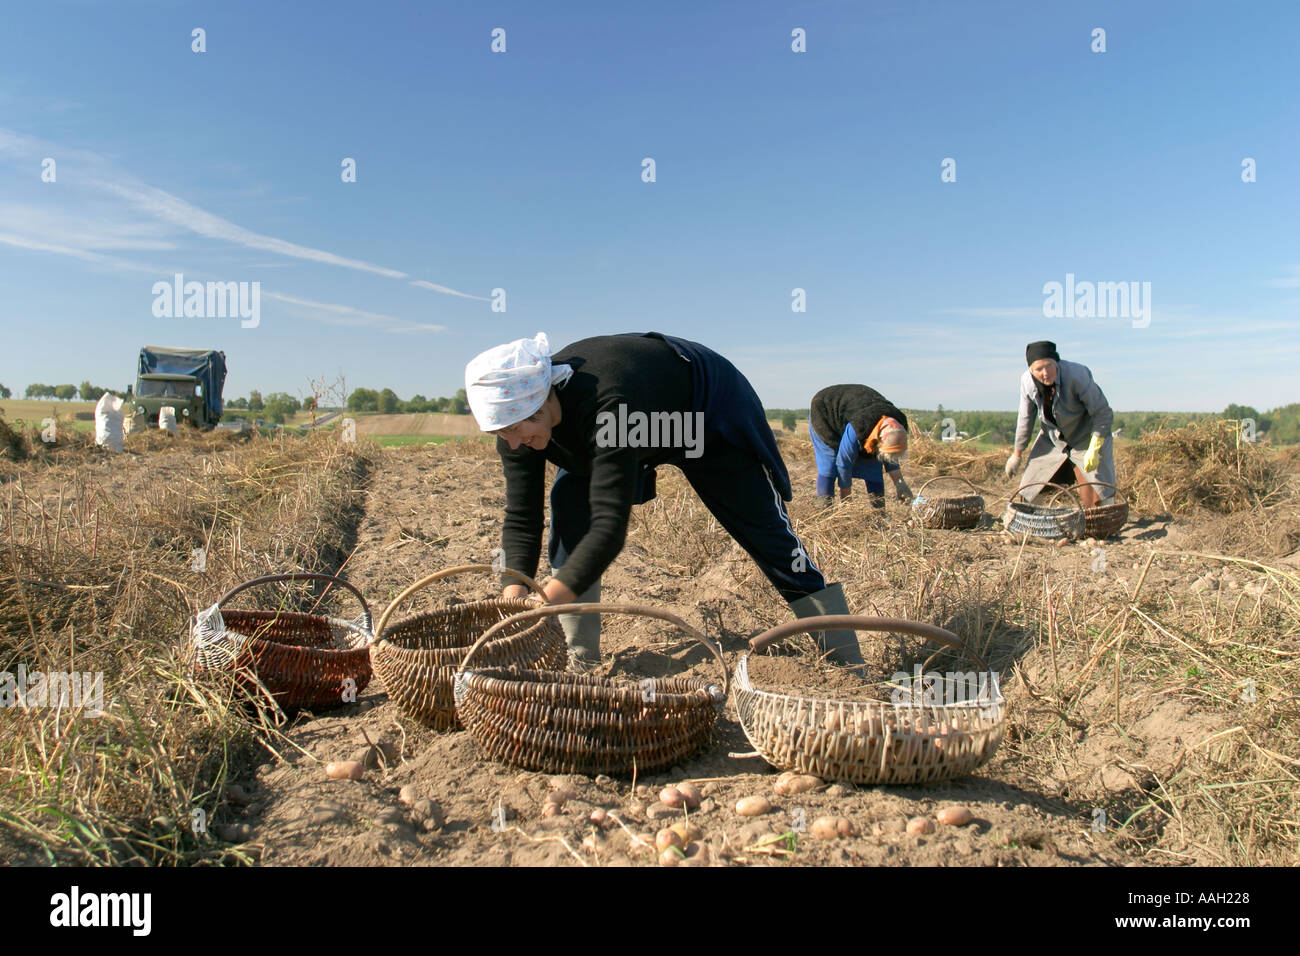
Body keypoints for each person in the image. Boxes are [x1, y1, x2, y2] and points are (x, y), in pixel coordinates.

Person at [465, 331, 868, 668]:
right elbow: (521, 515)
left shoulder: (608, 404)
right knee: (570, 504)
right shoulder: (514, 430)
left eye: (528, 423)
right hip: (638, 418)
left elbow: (610, 526)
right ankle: (580, 656)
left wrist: (549, 598)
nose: (519, 440)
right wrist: (514, 592)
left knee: (763, 529)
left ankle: (846, 659)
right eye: (506, 432)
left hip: (705, 412)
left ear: (547, 392)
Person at [1004, 341, 1115, 509]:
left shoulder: (1077, 375)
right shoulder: (1027, 382)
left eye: (1049, 366)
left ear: (1057, 362)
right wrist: (1017, 454)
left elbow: (1102, 412)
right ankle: (1036, 521)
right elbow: (1025, 419)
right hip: (1053, 438)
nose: (1045, 373)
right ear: (1031, 370)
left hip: (1087, 437)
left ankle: (1106, 518)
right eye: (1038, 369)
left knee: (1099, 489)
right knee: (1030, 487)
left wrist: (1094, 446)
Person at [808, 385, 913, 510]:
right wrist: (846, 503)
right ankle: (824, 509)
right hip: (825, 412)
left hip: (859, 412)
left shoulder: (896, 427)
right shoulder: (859, 427)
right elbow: (844, 463)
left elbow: (890, 454)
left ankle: (879, 514)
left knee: (873, 467)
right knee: (829, 465)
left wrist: (900, 483)